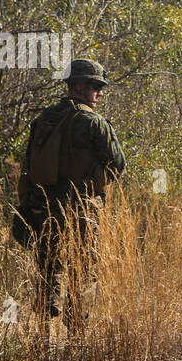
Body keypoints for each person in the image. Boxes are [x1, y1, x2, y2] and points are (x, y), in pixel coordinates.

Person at [18, 58, 126, 328]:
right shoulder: (94, 122)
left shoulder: (44, 119)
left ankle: (43, 337)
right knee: (83, 272)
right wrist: (92, 183)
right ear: (78, 85)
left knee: (48, 271)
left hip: (43, 210)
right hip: (81, 212)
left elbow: (27, 166)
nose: (99, 93)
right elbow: (118, 165)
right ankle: (77, 339)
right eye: (95, 86)